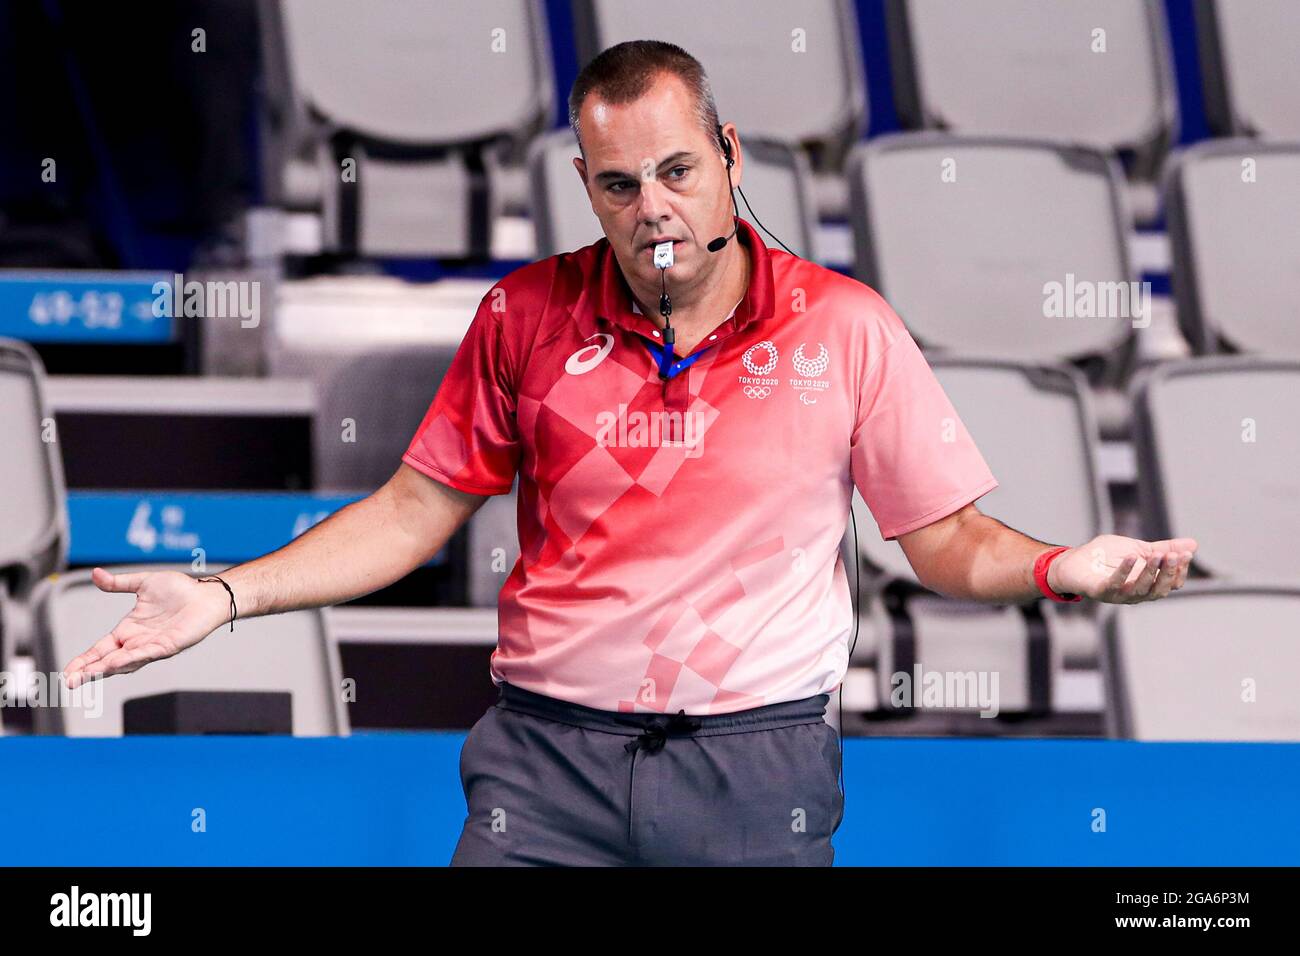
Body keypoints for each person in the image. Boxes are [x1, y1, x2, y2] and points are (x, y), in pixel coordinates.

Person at [64, 40, 1196, 866]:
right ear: (586, 189)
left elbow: (944, 539)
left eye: (675, 171)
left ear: (729, 154)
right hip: (542, 771)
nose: (651, 208)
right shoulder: (523, 316)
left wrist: (1062, 565)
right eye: (618, 184)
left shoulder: (841, 325)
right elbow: (412, 511)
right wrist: (225, 593)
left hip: (756, 773)